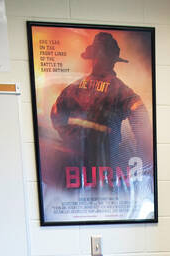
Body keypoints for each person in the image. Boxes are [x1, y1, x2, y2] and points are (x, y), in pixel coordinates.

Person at [49, 31, 154, 182]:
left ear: (93, 58)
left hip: (78, 165)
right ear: (111, 59)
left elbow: (56, 113)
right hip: (107, 164)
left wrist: (73, 139)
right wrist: (144, 156)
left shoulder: (74, 88)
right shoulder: (119, 89)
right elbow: (139, 112)